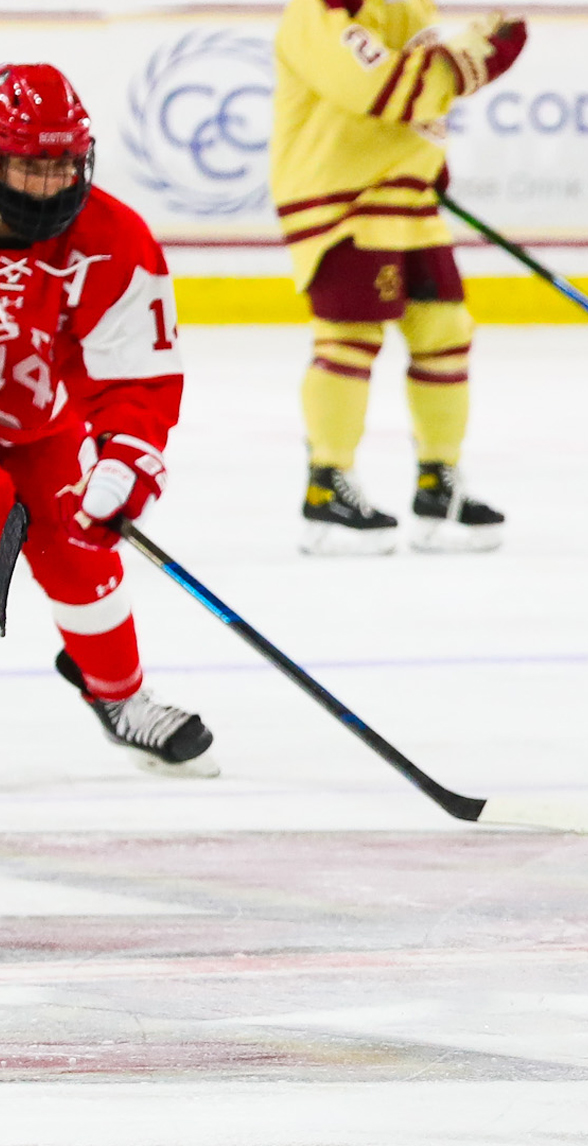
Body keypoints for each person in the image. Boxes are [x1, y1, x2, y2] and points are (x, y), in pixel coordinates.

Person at [0, 65, 217, 775]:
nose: (50, 184)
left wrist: (125, 456)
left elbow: (136, 373)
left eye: (63, 163)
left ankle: (119, 698)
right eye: (31, 165)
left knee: (83, 545)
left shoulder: (112, 236)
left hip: (43, 426)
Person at [271, 0, 526, 555]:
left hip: (404, 195)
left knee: (446, 333)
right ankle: (326, 489)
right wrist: (472, 58)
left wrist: (427, 159)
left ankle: (440, 485)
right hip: (342, 198)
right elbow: (384, 89)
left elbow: (418, 98)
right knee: (350, 337)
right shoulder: (321, 10)